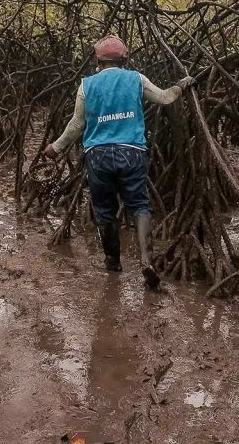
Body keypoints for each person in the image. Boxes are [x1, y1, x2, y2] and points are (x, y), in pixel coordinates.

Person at [44, 35, 194, 289]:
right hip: (131, 151)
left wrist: (55, 147)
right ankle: (146, 259)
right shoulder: (136, 79)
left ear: (98, 61)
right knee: (139, 205)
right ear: (125, 59)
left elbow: (77, 124)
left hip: (98, 155)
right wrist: (181, 85)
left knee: (104, 210)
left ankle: (113, 262)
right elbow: (166, 98)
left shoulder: (86, 85)